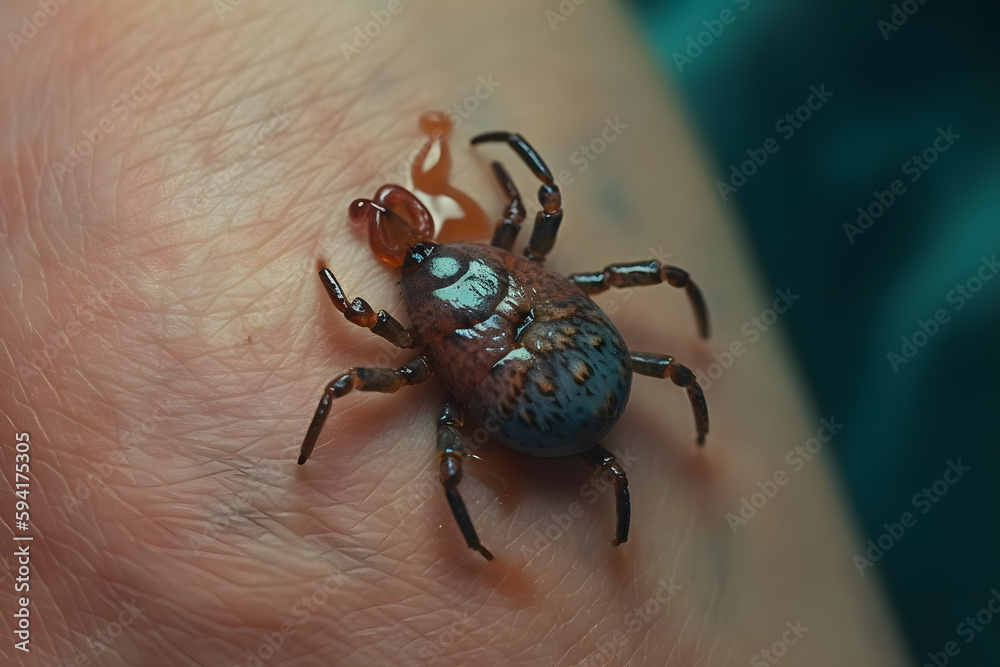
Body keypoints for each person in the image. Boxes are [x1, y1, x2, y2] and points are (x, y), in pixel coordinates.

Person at [0, 1, 910, 665]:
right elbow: (534, 200)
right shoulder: (493, 258)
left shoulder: (420, 324)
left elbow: (375, 335)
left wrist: (332, 278)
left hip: (531, 381)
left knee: (452, 426)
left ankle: (556, 529)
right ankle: (595, 519)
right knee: (626, 354)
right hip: (564, 367)